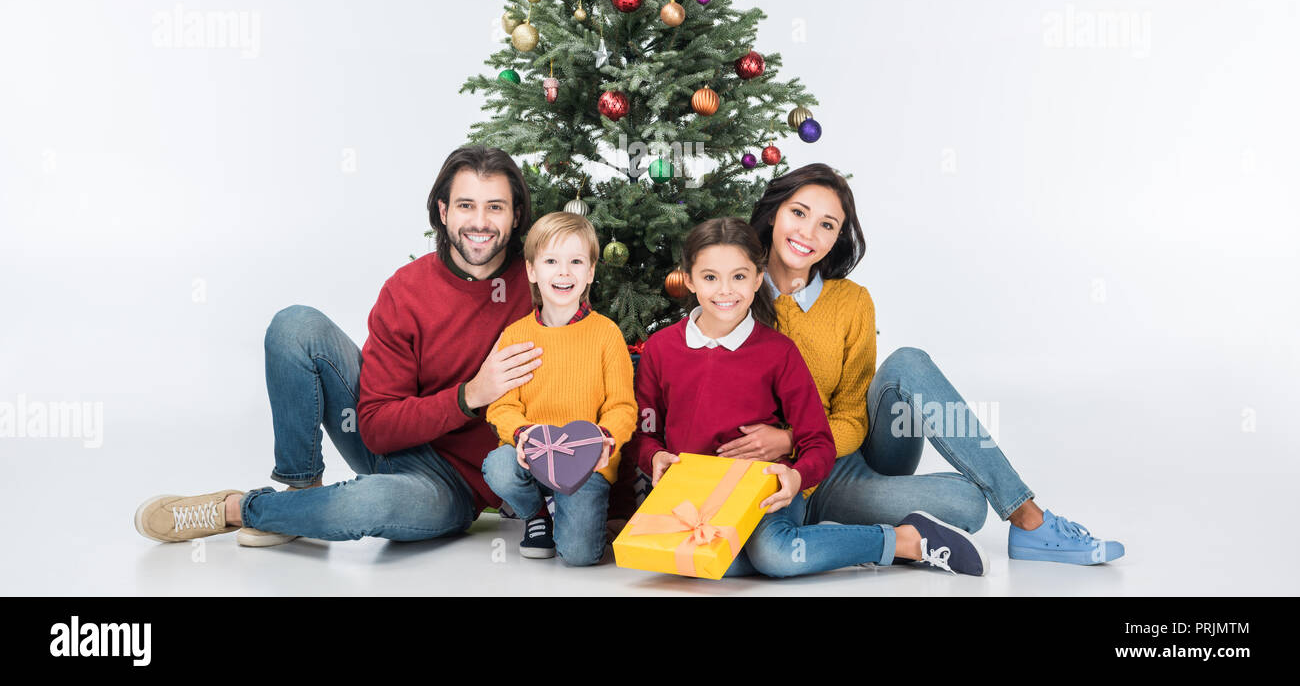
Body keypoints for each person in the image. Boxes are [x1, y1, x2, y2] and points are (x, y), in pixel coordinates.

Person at [710, 163, 1124, 566]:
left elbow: (854, 419)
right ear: (774, 214)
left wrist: (788, 440)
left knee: (908, 363)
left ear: (837, 238)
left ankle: (1029, 520)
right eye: (798, 213)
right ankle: (842, 532)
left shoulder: (851, 301)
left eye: (827, 224)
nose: (808, 233)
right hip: (778, 482)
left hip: (843, 461)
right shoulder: (733, 291)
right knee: (964, 503)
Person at [133, 145, 547, 546]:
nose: (480, 221)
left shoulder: (539, 289)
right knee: (296, 326)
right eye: (465, 205)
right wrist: (469, 396)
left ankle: (239, 510)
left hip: (450, 487)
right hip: (386, 443)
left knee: (364, 505)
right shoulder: (407, 290)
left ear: (515, 216)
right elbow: (377, 427)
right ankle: (299, 491)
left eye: (495, 206)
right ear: (442, 211)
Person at [630, 217, 987, 578]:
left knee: (775, 556)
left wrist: (797, 478)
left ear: (757, 279)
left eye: (739, 277)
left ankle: (905, 541)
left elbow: (817, 441)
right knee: (701, 564)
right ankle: (828, 540)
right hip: (696, 497)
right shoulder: (660, 350)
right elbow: (645, 433)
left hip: (766, 491)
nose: (725, 290)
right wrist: (654, 456)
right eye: (710, 278)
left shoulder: (777, 351)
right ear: (688, 279)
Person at [481, 212, 637, 565]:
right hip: (532, 454)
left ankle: (578, 517)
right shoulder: (516, 335)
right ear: (533, 271)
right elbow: (502, 407)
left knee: (580, 557)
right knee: (498, 466)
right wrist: (523, 434)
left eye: (576, 262)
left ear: (591, 272)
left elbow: (623, 407)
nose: (564, 272)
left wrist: (604, 438)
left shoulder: (606, 334)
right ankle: (536, 515)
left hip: (587, 463)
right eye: (551, 261)